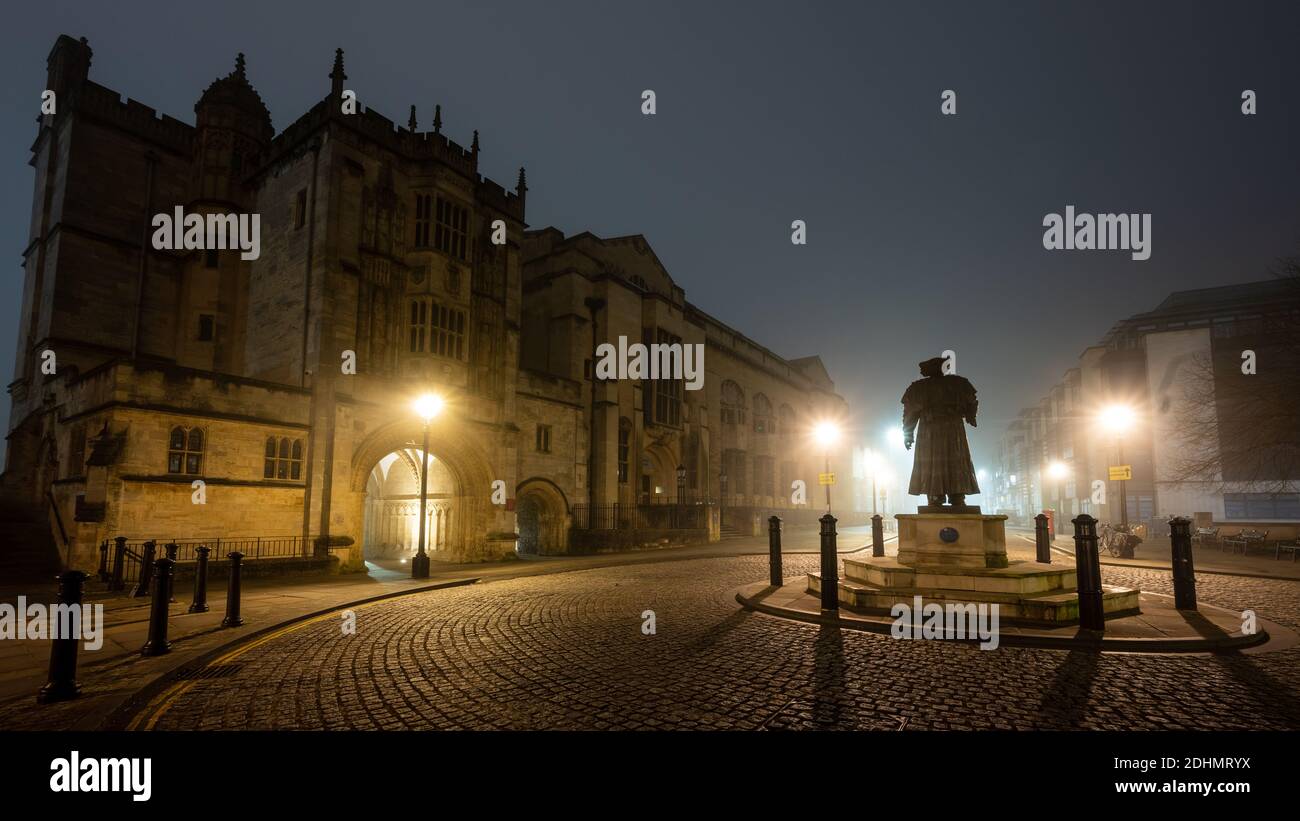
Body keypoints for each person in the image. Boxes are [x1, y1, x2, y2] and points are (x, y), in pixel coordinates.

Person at [902, 357, 980, 507]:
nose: (920, 371)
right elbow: (971, 402)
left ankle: (936, 496)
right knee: (955, 459)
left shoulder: (919, 388)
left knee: (933, 461)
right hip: (953, 428)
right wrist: (970, 416)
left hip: (930, 431)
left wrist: (908, 433)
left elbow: (910, 413)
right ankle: (957, 495)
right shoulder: (959, 383)